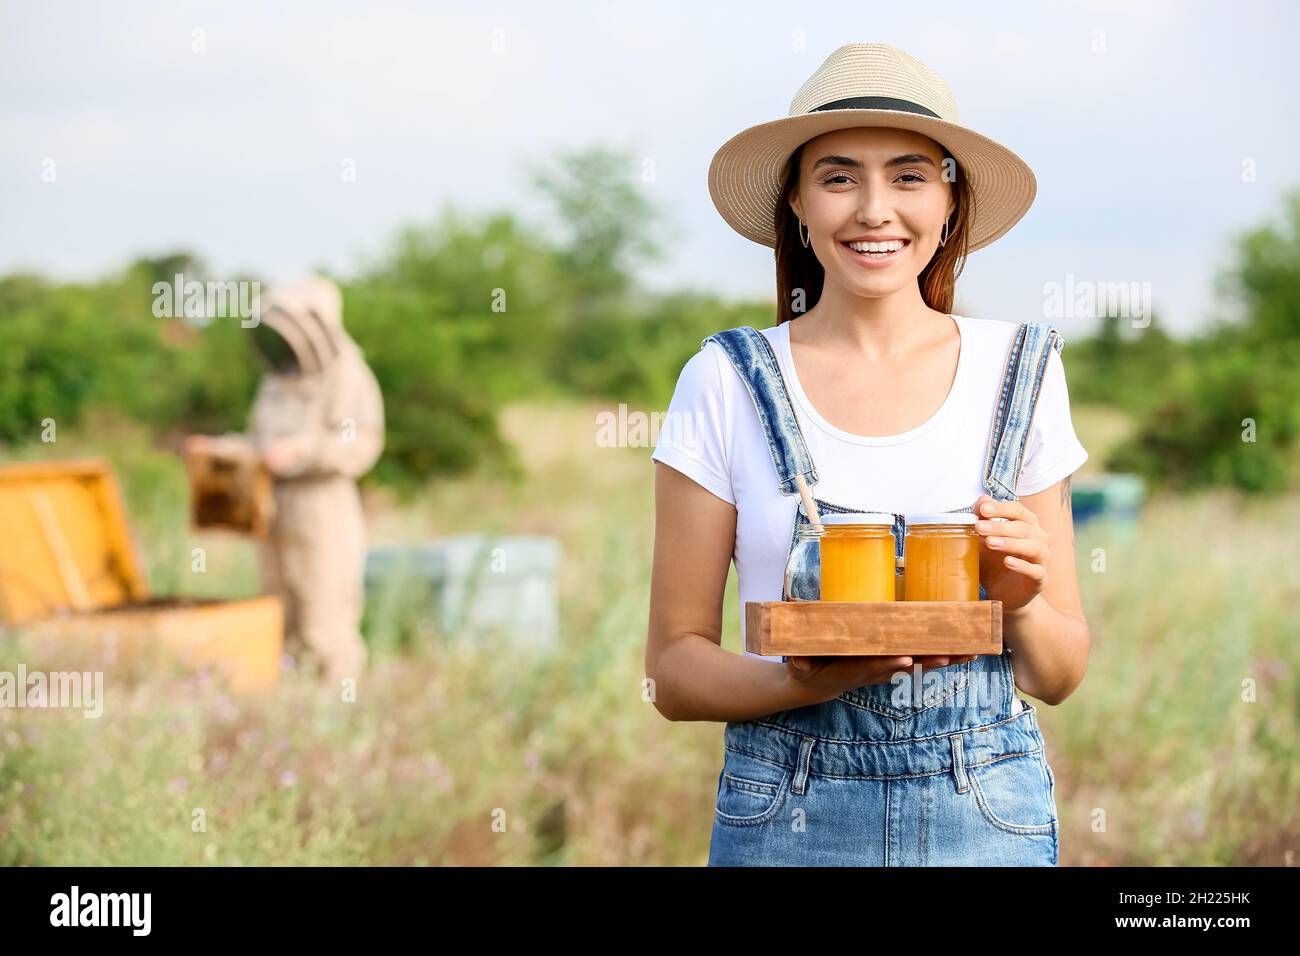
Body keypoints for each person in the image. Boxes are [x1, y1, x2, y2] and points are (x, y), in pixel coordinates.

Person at [646, 43, 1091, 866]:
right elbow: (673, 671)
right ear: (800, 204)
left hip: (984, 811)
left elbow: (1059, 675)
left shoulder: (1020, 371)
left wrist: (1023, 603)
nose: (874, 209)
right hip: (788, 809)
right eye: (840, 176)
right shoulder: (725, 380)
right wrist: (798, 683)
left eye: (911, 176)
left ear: (951, 201)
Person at [210, 276, 384, 684]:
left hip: (322, 506)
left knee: (325, 618)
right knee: (278, 615)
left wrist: (305, 451)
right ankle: (292, 718)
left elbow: (363, 442)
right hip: (274, 505)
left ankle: (337, 719)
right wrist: (223, 450)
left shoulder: (350, 376)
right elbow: (259, 441)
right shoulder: (276, 381)